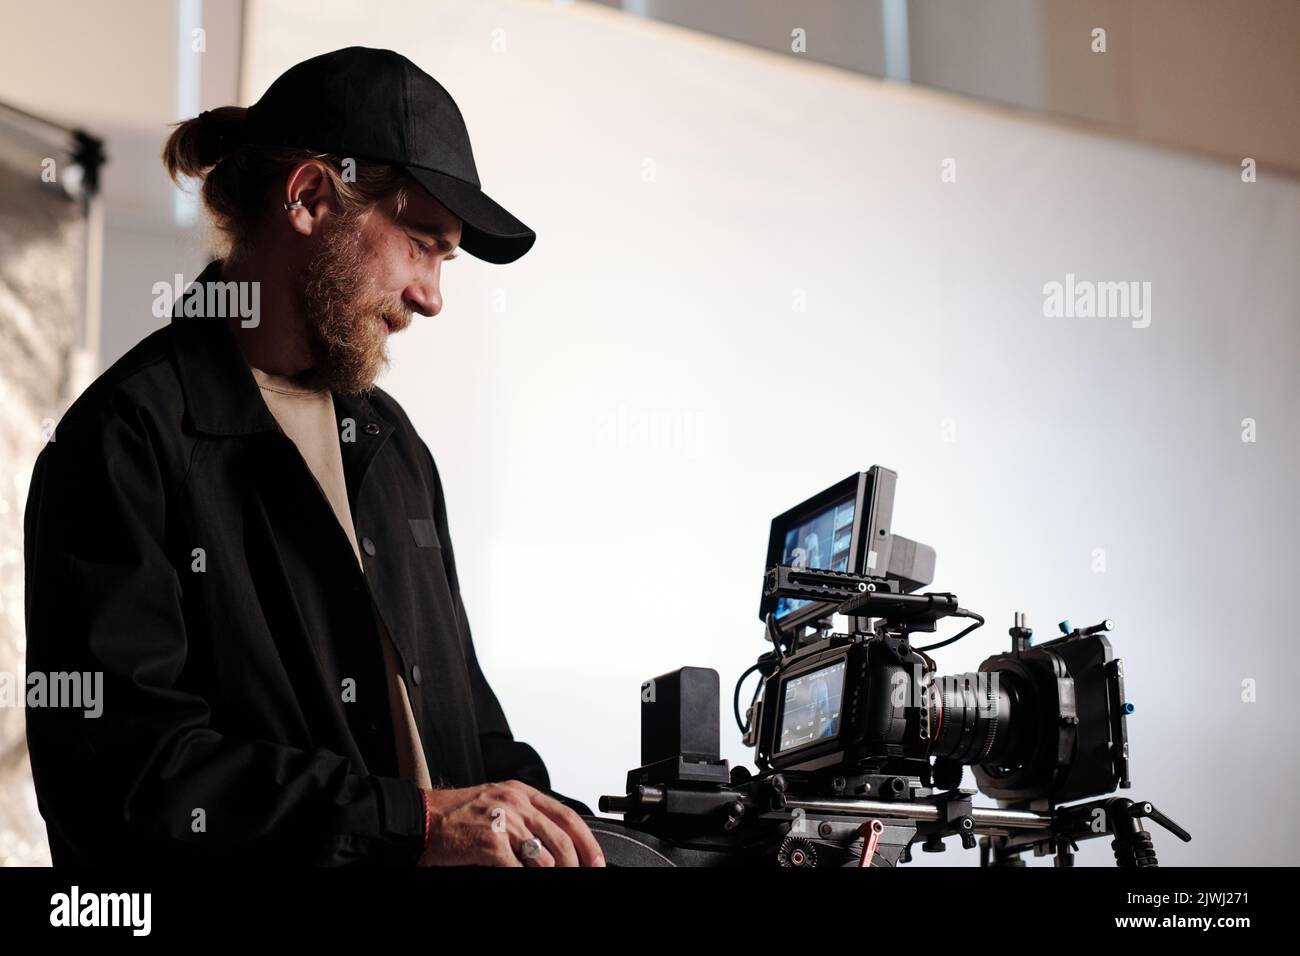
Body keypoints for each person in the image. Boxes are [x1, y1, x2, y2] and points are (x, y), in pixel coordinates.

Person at [23, 47, 604, 867]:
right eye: (422, 244)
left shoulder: (395, 448)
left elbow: (469, 739)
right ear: (309, 198)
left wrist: (607, 837)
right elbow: (127, 780)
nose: (432, 296)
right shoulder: (125, 440)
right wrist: (416, 824)